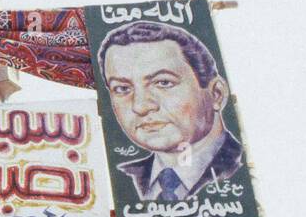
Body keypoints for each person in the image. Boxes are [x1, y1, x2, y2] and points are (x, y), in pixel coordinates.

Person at [98, 21, 242, 201]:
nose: (140, 106)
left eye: (163, 83)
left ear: (216, 94)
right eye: (122, 89)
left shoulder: (246, 169)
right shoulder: (120, 180)